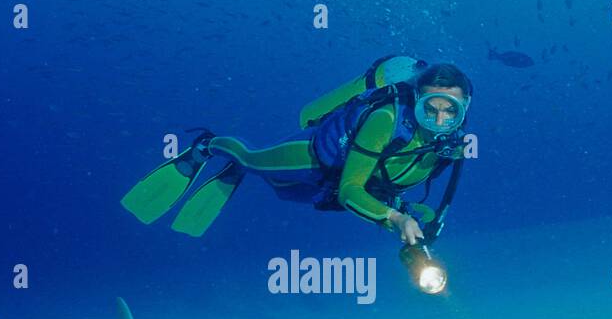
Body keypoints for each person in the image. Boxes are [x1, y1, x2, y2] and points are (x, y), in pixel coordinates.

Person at [121, 56, 472, 244]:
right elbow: (351, 190)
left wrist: (406, 211)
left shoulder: (449, 143)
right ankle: (209, 147)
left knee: (284, 196)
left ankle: (239, 171)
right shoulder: (385, 119)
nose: (440, 119)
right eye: (431, 108)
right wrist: (394, 218)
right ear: (417, 102)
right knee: (253, 159)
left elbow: (390, 178)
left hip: (334, 185)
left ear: (464, 110)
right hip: (312, 158)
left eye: (451, 112)